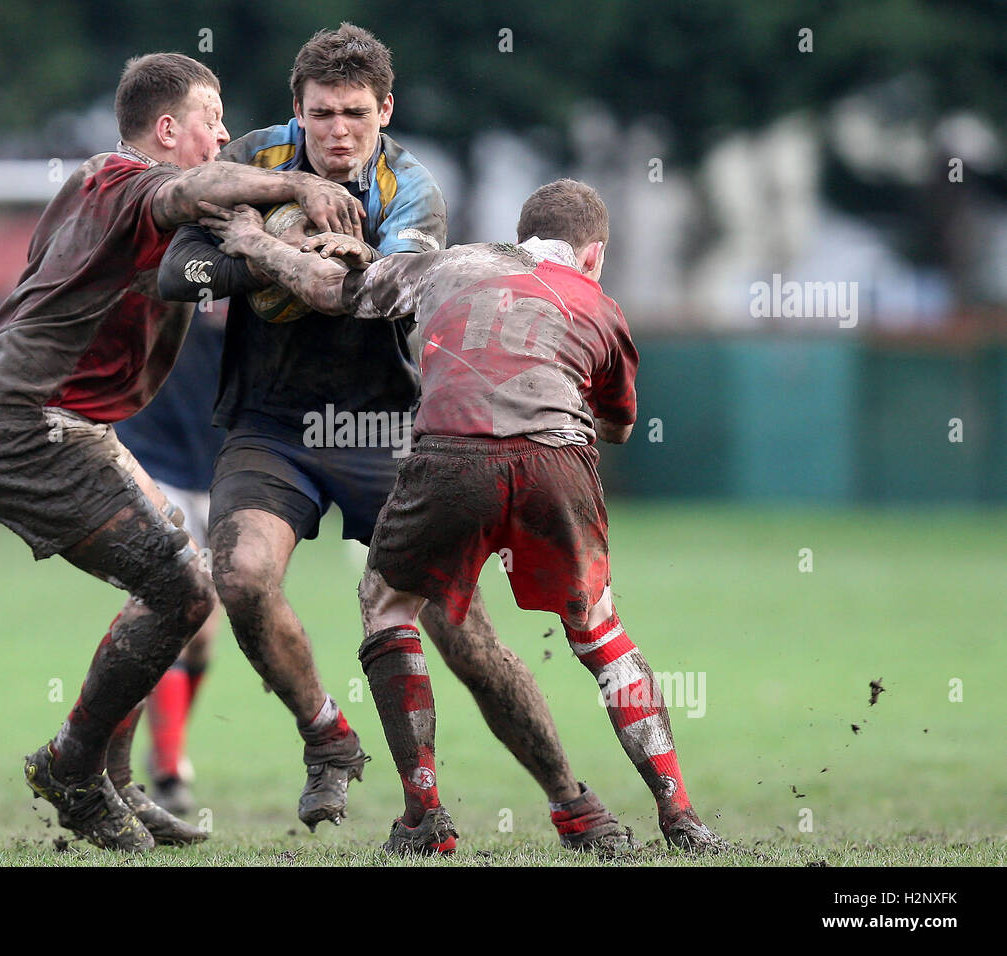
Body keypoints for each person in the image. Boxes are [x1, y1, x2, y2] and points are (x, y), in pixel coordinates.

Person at [158, 25, 603, 849]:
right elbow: (175, 274)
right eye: (321, 113)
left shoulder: (414, 187)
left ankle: (572, 799)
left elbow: (385, 293)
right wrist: (276, 247)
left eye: (355, 114)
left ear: (384, 110)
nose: (337, 131)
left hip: (384, 430)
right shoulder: (252, 162)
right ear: (297, 110)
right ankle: (328, 736)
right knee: (242, 577)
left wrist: (273, 247)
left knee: (457, 628)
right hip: (270, 427)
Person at [198, 178, 729, 855]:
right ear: (592, 254)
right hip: (558, 463)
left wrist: (253, 244)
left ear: (519, 229)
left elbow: (332, 290)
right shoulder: (602, 305)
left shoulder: (451, 263)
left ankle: (425, 814)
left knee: (389, 607)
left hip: (452, 453)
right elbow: (618, 427)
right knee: (597, 630)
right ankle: (680, 814)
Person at [0, 51, 364, 853]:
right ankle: (72, 769)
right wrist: (299, 186)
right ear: (167, 130)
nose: (224, 136)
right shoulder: (129, 181)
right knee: (181, 586)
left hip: (54, 421)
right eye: (212, 120)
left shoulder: (104, 190)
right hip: (25, 424)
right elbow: (194, 190)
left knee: (178, 579)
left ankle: (115, 779)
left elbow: (195, 227)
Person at [109, 303, 227, 815]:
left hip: (227, 469)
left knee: (204, 642)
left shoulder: (271, 279)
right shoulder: (174, 267)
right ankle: (165, 769)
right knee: (182, 615)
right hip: (156, 464)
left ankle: (156, 758)